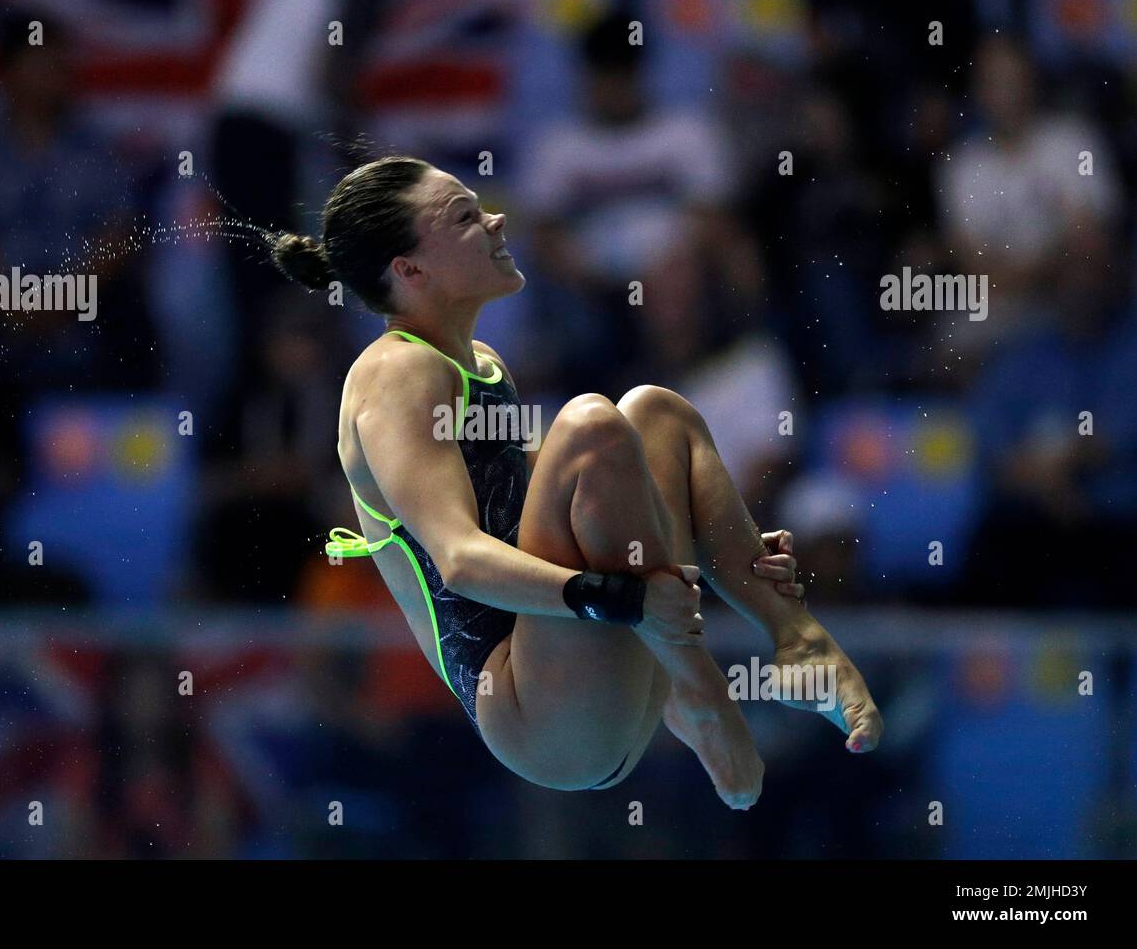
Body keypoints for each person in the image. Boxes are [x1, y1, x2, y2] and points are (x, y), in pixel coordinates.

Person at [271, 156, 882, 808]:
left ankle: (800, 642)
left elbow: (581, 504)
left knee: (655, 413)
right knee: (591, 425)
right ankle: (698, 693)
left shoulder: (481, 364)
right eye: (465, 217)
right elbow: (459, 559)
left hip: (591, 669)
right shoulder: (396, 376)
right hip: (533, 712)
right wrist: (621, 601)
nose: (497, 219)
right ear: (411, 269)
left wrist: (732, 544)